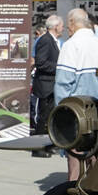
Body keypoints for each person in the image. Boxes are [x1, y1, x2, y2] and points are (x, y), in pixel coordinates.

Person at [54, 9, 98, 184]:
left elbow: (63, 83)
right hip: (97, 109)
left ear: (72, 23)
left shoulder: (70, 45)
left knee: (75, 159)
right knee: (95, 155)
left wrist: (59, 115)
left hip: (75, 112)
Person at [31, 14, 62, 150]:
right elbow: (41, 62)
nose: (63, 28)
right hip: (45, 85)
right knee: (43, 117)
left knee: (49, 117)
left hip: (51, 84)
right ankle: (38, 147)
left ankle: (47, 144)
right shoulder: (46, 40)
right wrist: (59, 67)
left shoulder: (53, 40)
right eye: (61, 26)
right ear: (55, 27)